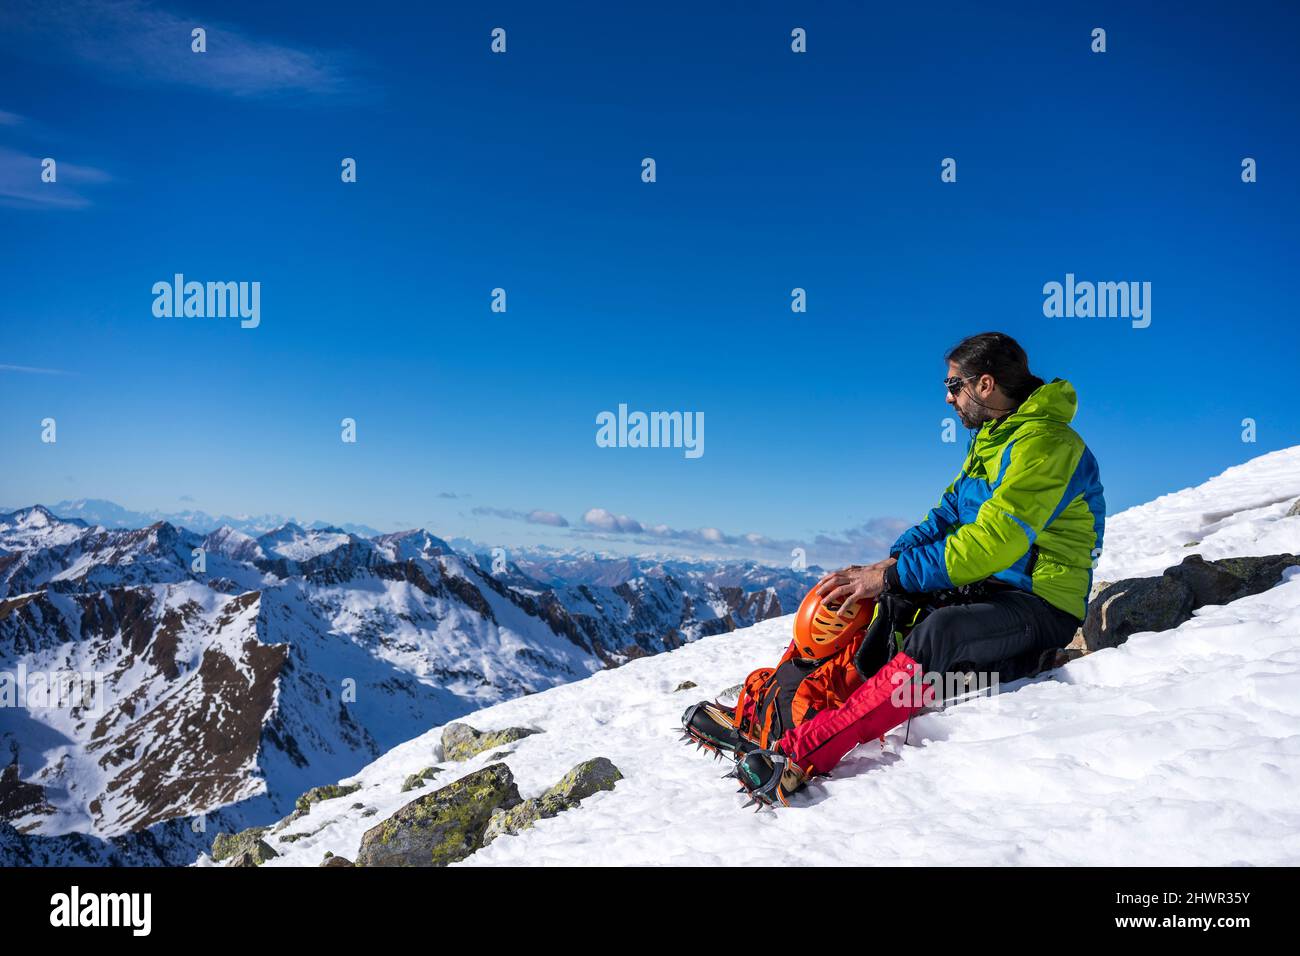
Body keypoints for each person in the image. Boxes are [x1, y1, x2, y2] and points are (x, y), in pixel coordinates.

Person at [735, 332, 1106, 805]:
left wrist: (893, 574)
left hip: (1041, 602)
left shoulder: (1048, 444)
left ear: (985, 384)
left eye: (954, 386)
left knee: (940, 631)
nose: (947, 397)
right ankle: (771, 711)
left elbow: (994, 542)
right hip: (989, 586)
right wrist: (888, 566)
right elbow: (946, 516)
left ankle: (802, 752)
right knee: (867, 602)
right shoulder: (993, 437)